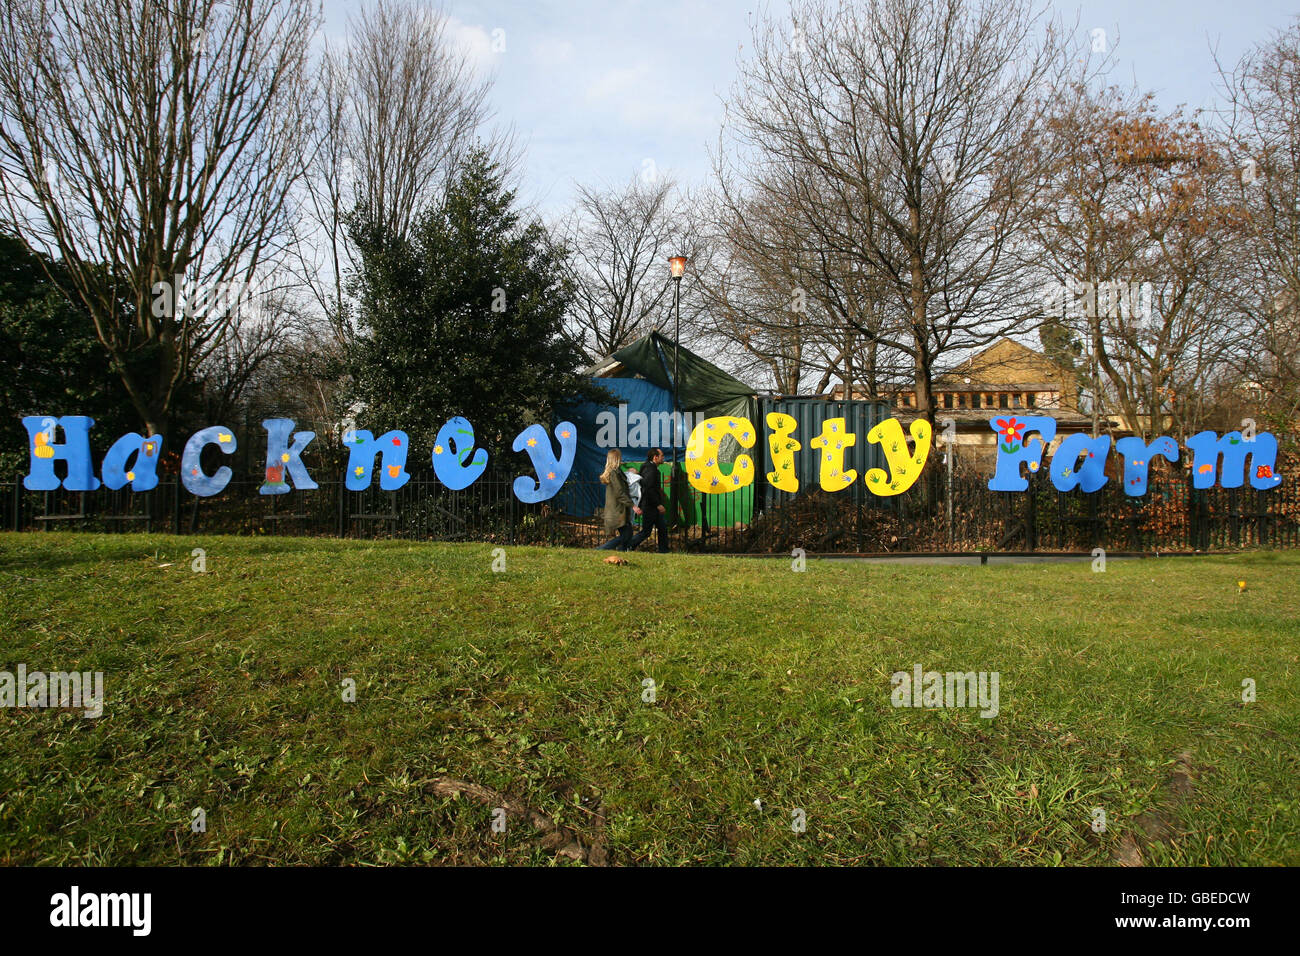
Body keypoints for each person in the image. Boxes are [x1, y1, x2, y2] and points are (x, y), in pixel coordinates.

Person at [628, 448, 669, 553]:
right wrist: (658, 504)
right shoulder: (651, 469)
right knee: (646, 531)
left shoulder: (650, 467)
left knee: (662, 528)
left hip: (651, 505)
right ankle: (628, 545)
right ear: (655, 457)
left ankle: (664, 550)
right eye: (662, 456)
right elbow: (648, 488)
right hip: (650, 506)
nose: (663, 458)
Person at [596, 449, 635, 550]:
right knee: (626, 534)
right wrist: (633, 505)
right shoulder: (615, 473)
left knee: (627, 533)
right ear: (617, 458)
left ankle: (622, 551)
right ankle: (601, 549)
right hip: (617, 510)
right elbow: (620, 492)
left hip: (618, 509)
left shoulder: (616, 472)